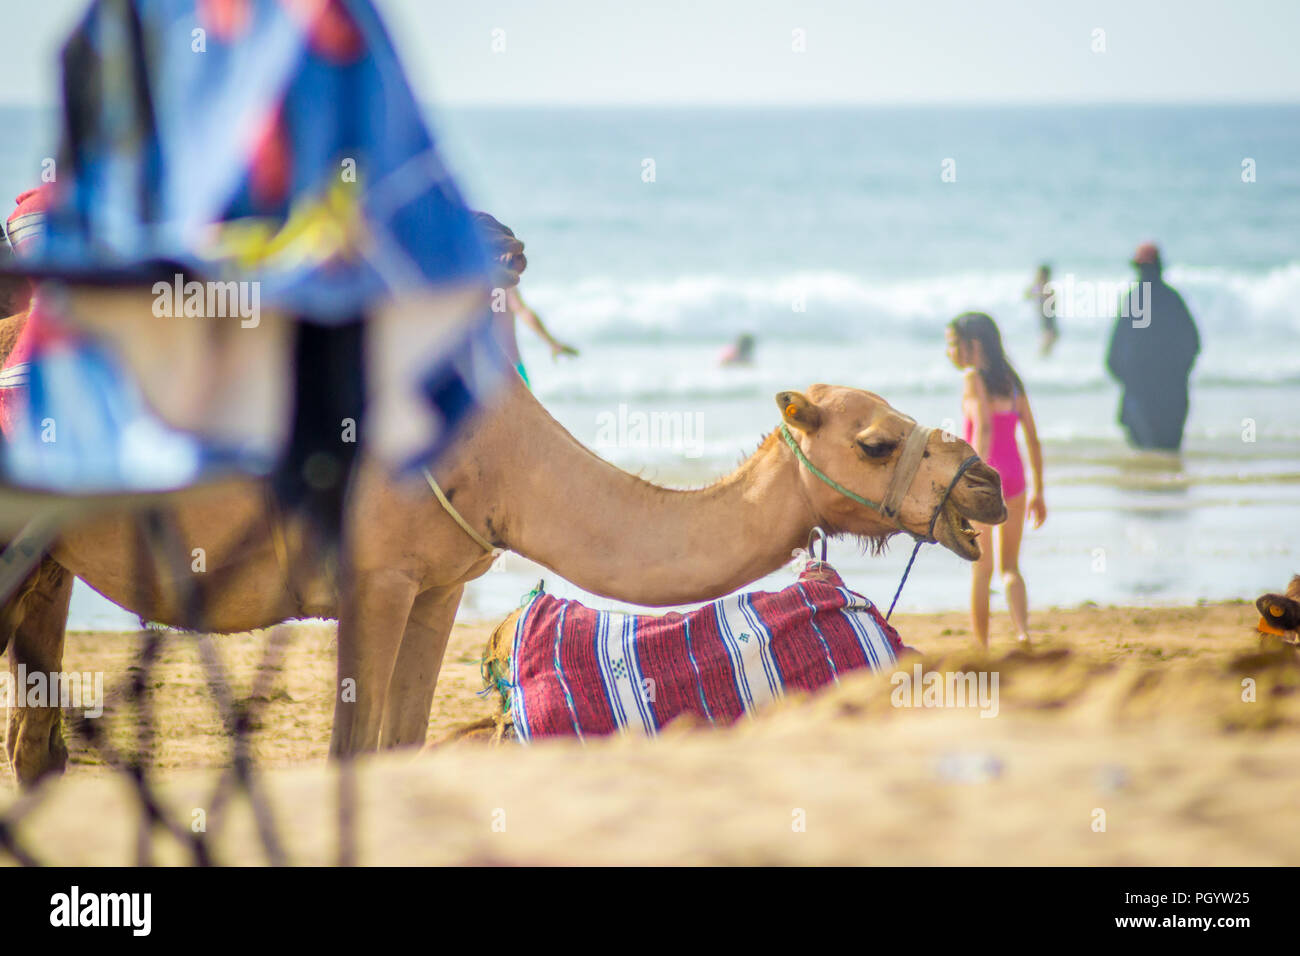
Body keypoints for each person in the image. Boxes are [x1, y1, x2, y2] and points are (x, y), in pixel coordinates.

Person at [946, 312, 1046, 647]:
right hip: (1016, 477)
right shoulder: (1013, 381)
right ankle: (1022, 632)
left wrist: (973, 477)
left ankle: (983, 647)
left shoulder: (972, 378)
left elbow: (984, 428)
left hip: (989, 477)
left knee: (981, 569)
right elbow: (1032, 437)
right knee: (1010, 568)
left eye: (953, 343)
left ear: (972, 345)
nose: (950, 352)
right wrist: (1039, 492)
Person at [1105, 242, 1200, 452]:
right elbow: (1194, 344)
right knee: (1168, 452)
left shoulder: (1136, 299)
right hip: (1172, 393)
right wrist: (1178, 374)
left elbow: (1113, 356)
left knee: (1145, 453)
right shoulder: (1173, 300)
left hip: (1141, 395)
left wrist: (1129, 381)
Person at [473, 212, 578, 388]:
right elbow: (522, 311)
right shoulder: (501, 282)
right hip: (509, 368)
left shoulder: (487, 283)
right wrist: (550, 342)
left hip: (491, 369)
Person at [1025, 263, 1057, 356]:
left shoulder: (1046, 289)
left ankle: (1045, 363)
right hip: (1046, 321)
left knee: (1046, 348)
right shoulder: (1042, 288)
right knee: (1046, 348)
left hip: (1048, 322)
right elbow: (1027, 295)